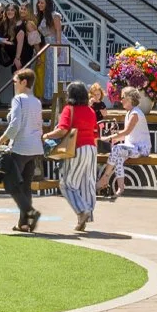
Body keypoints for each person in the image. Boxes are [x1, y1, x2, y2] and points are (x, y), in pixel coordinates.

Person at [0, 68, 45, 233]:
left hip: (21, 147)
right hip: (34, 147)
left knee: (11, 184)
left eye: (16, 81)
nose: (14, 84)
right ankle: (24, 223)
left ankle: (30, 214)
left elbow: (14, 125)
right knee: (25, 186)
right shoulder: (36, 101)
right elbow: (38, 125)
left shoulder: (18, 100)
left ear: (24, 82)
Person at [45, 83, 99, 232]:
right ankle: (85, 216)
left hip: (76, 149)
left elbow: (62, 130)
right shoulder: (90, 110)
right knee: (86, 184)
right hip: (91, 149)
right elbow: (95, 133)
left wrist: (47, 135)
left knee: (67, 184)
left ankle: (82, 211)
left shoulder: (69, 109)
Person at [100, 87, 153, 200]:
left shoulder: (135, 113)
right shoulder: (129, 113)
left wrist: (109, 137)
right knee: (118, 157)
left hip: (141, 149)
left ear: (129, 99)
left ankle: (105, 178)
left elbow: (126, 131)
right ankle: (121, 187)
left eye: (122, 97)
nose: (121, 100)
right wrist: (116, 139)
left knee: (117, 149)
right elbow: (128, 134)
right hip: (132, 147)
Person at [35, 0, 67, 90]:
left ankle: (61, 95)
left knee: (59, 69)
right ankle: (51, 98)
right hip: (48, 45)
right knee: (50, 70)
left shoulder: (54, 15)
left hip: (56, 42)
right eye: (39, 2)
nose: (39, 4)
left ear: (47, 4)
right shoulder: (41, 16)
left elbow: (58, 30)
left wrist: (58, 45)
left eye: (42, 3)